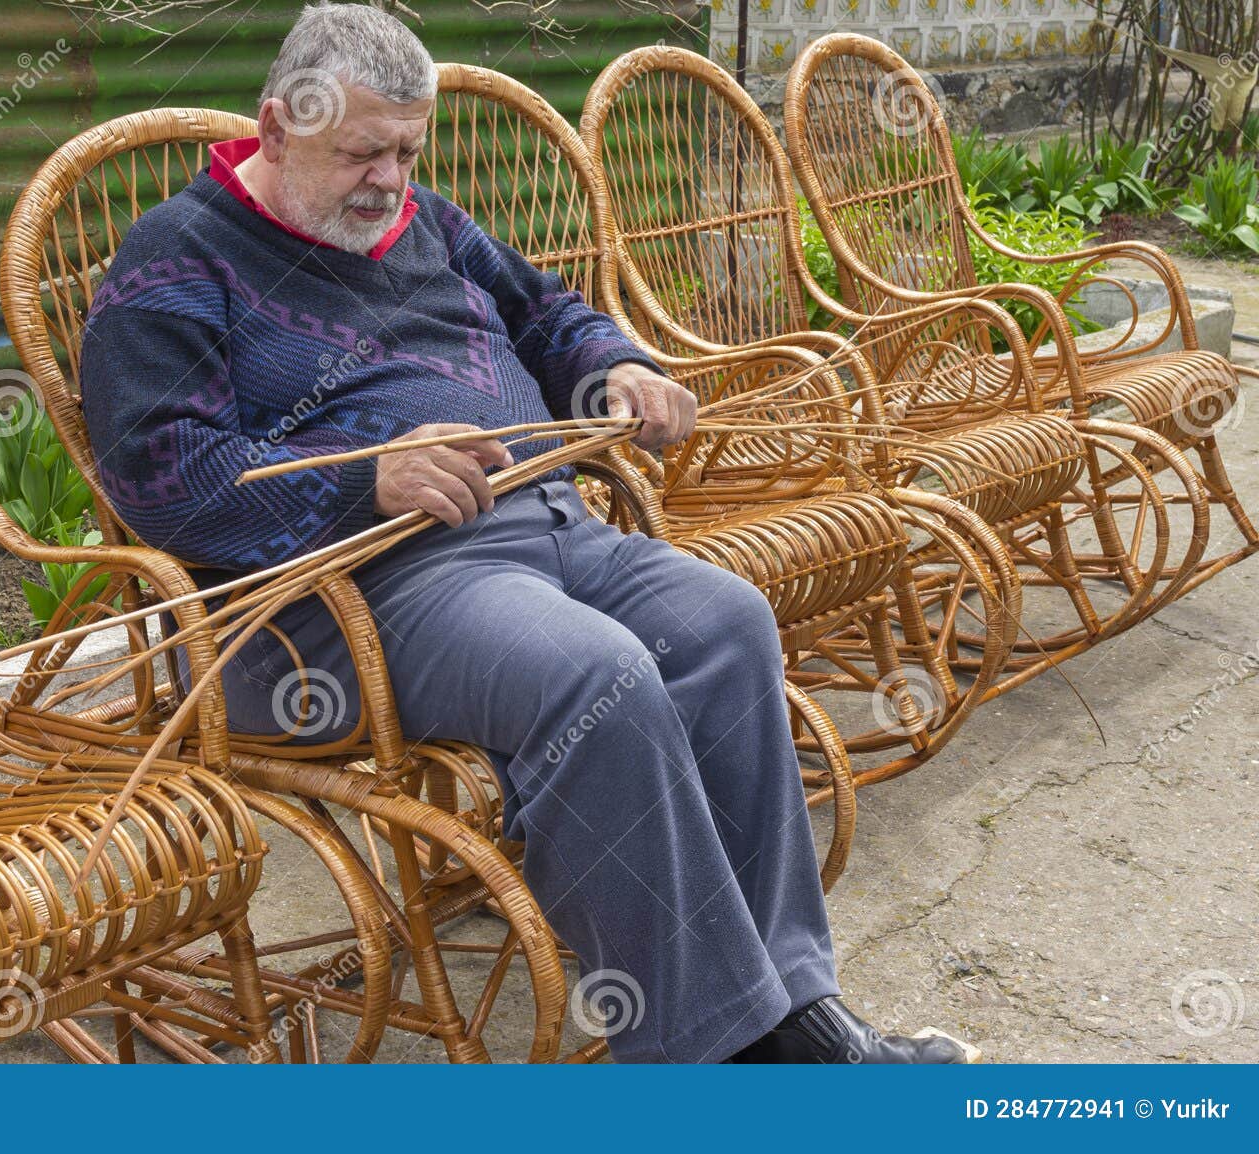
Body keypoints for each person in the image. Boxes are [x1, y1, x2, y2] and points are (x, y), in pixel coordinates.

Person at [80, 1, 972, 1064]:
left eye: (407, 150)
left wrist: (618, 368)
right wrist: (371, 477)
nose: (387, 180)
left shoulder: (426, 223)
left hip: (547, 527)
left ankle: (792, 1004)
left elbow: (551, 315)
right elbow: (159, 478)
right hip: (351, 600)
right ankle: (715, 1056)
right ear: (275, 129)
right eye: (361, 151)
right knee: (596, 675)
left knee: (725, 622)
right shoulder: (175, 258)